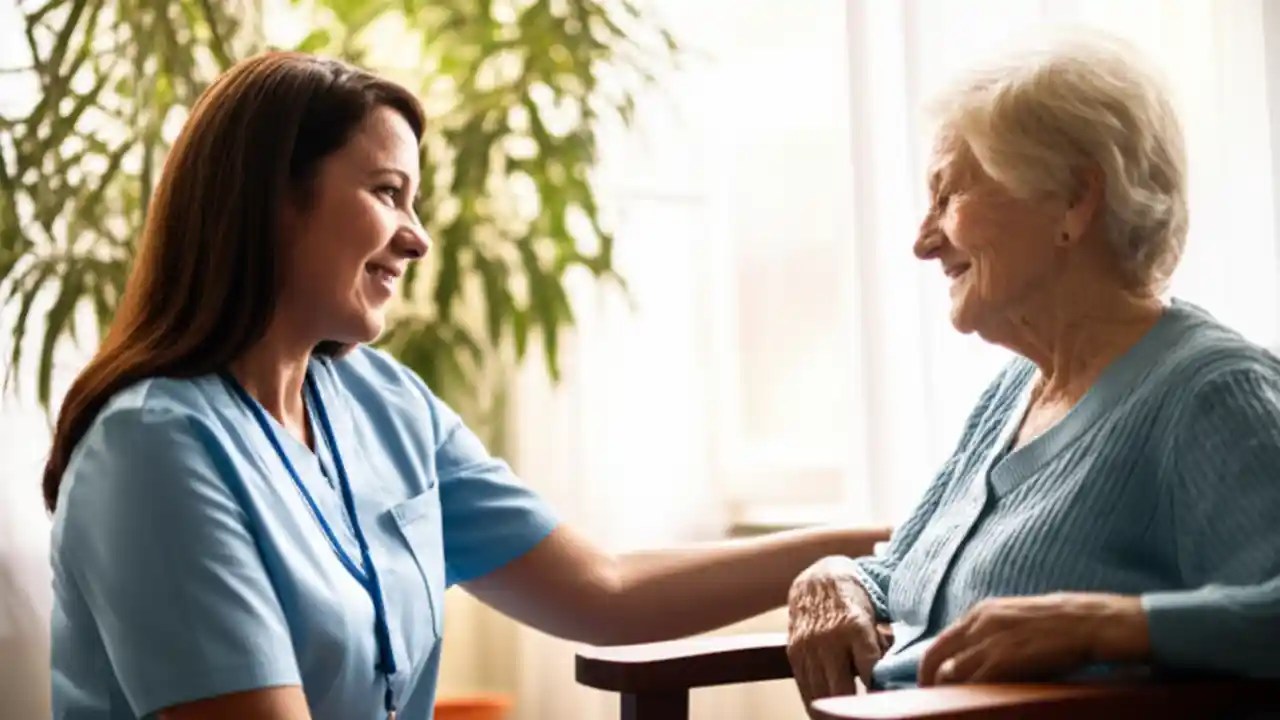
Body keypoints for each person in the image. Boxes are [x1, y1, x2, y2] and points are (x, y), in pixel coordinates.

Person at [45, 52, 888, 720]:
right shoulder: (150, 450)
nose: (416, 239)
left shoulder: (385, 403)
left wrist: (887, 539)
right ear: (270, 200)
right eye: (387, 194)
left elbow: (605, 589)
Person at [786, 31, 1280, 704]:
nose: (923, 241)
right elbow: (904, 572)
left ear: (1074, 200)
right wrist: (835, 578)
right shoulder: (1015, 391)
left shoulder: (1210, 393)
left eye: (948, 195)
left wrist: (1105, 626)